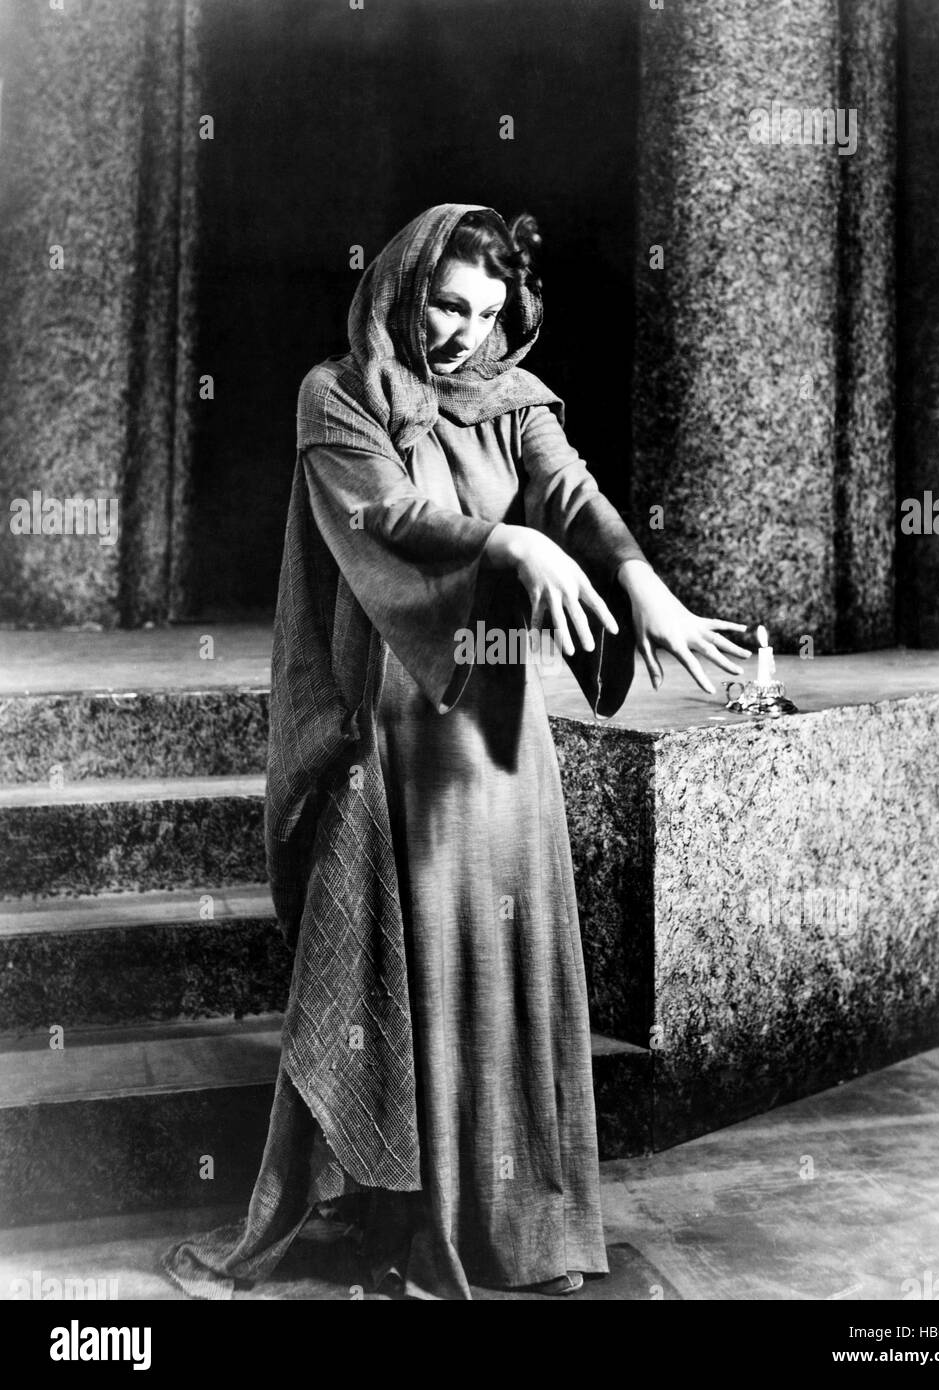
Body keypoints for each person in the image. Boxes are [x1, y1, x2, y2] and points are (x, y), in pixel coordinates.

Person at [163, 203, 748, 1301]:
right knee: (408, 962)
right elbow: (383, 517)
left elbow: (571, 491)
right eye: (445, 303)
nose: (461, 333)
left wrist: (642, 583)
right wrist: (506, 540)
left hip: (497, 725)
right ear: (403, 285)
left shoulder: (510, 399)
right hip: (389, 728)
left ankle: (520, 1230)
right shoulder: (335, 396)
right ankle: (409, 1221)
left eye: (484, 313)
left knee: (506, 962)